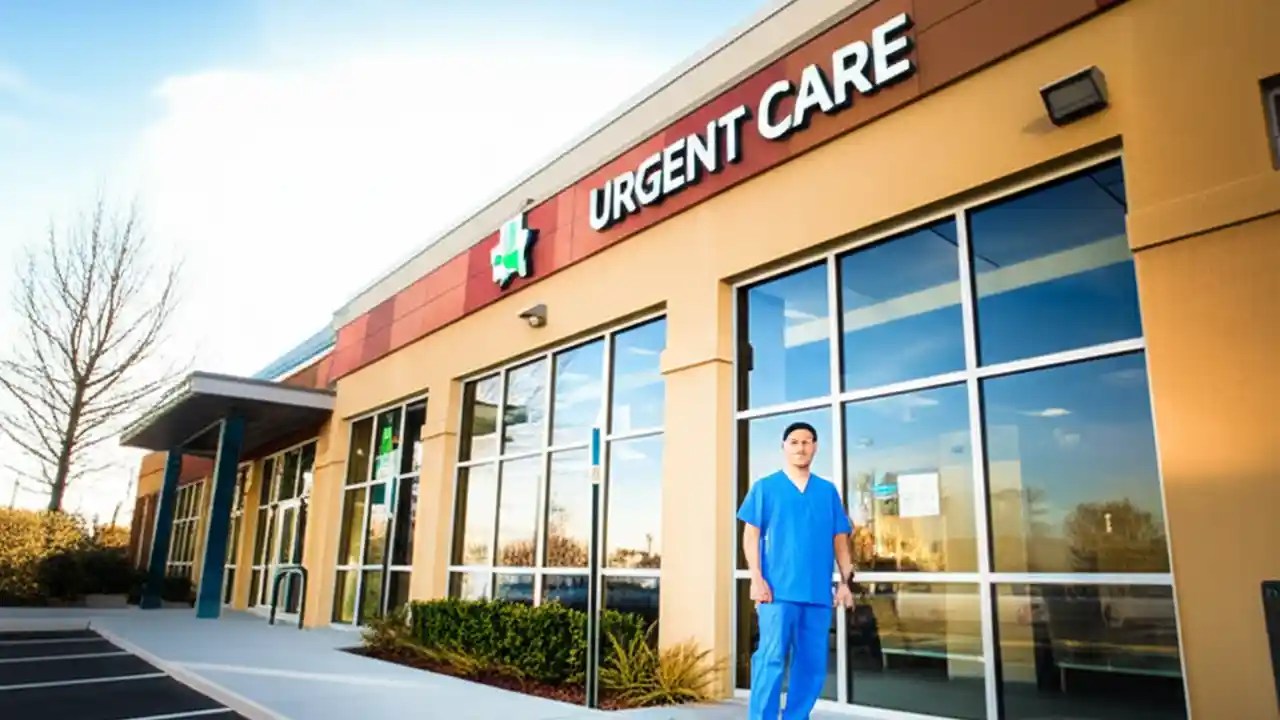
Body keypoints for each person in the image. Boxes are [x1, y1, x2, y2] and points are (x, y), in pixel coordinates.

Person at [737, 421, 855, 720]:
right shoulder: (766, 487)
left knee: (812, 665)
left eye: (807, 441)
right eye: (794, 442)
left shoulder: (827, 491)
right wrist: (756, 579)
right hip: (777, 592)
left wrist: (845, 581)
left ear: (815, 447)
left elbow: (839, 539)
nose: (801, 447)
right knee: (771, 660)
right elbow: (750, 536)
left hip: (817, 593)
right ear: (784, 447)